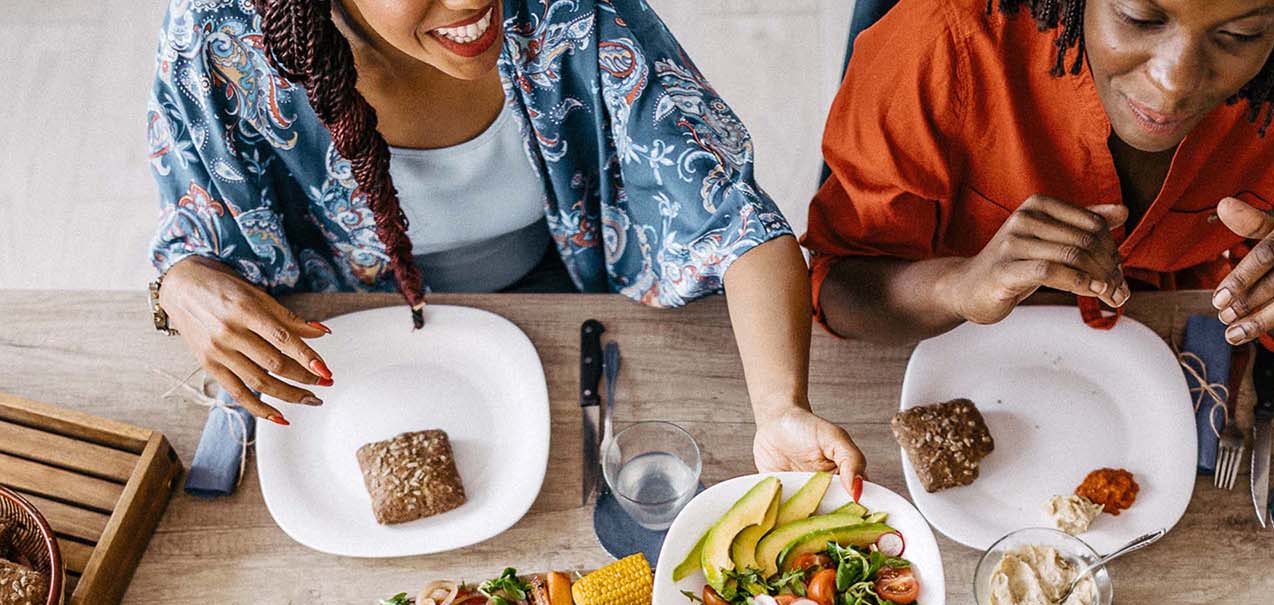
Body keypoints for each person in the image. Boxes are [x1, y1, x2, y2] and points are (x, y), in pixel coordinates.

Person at [146, 0, 863, 489]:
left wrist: (778, 408)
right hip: (355, 339)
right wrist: (178, 281)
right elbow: (197, 229)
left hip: (578, 288)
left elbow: (729, 212)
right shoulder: (218, 36)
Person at [805, 0, 1274, 359]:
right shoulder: (941, 37)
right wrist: (957, 287)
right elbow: (837, 284)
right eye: (1140, 17)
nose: (1175, 84)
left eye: (1241, 35)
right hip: (941, 348)